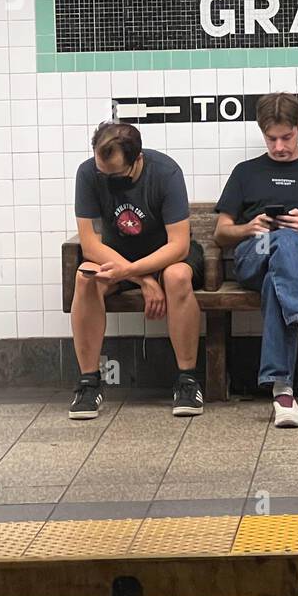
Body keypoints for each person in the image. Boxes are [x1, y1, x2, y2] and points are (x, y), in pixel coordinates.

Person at [214, 92, 298, 428]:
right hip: (254, 253)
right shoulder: (246, 172)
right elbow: (221, 233)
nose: (279, 146)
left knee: (281, 274)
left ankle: (282, 392)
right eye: (271, 139)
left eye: (286, 137)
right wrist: (250, 227)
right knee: (281, 244)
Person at [70, 121, 203, 420]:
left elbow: (179, 245)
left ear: (137, 159)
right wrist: (140, 278)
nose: (109, 181)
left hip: (164, 256)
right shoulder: (88, 173)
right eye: (104, 174)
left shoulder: (166, 172)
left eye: (117, 177)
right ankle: (89, 383)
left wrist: (137, 272)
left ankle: (187, 381)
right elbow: (90, 244)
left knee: (177, 276)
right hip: (117, 257)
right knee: (85, 277)